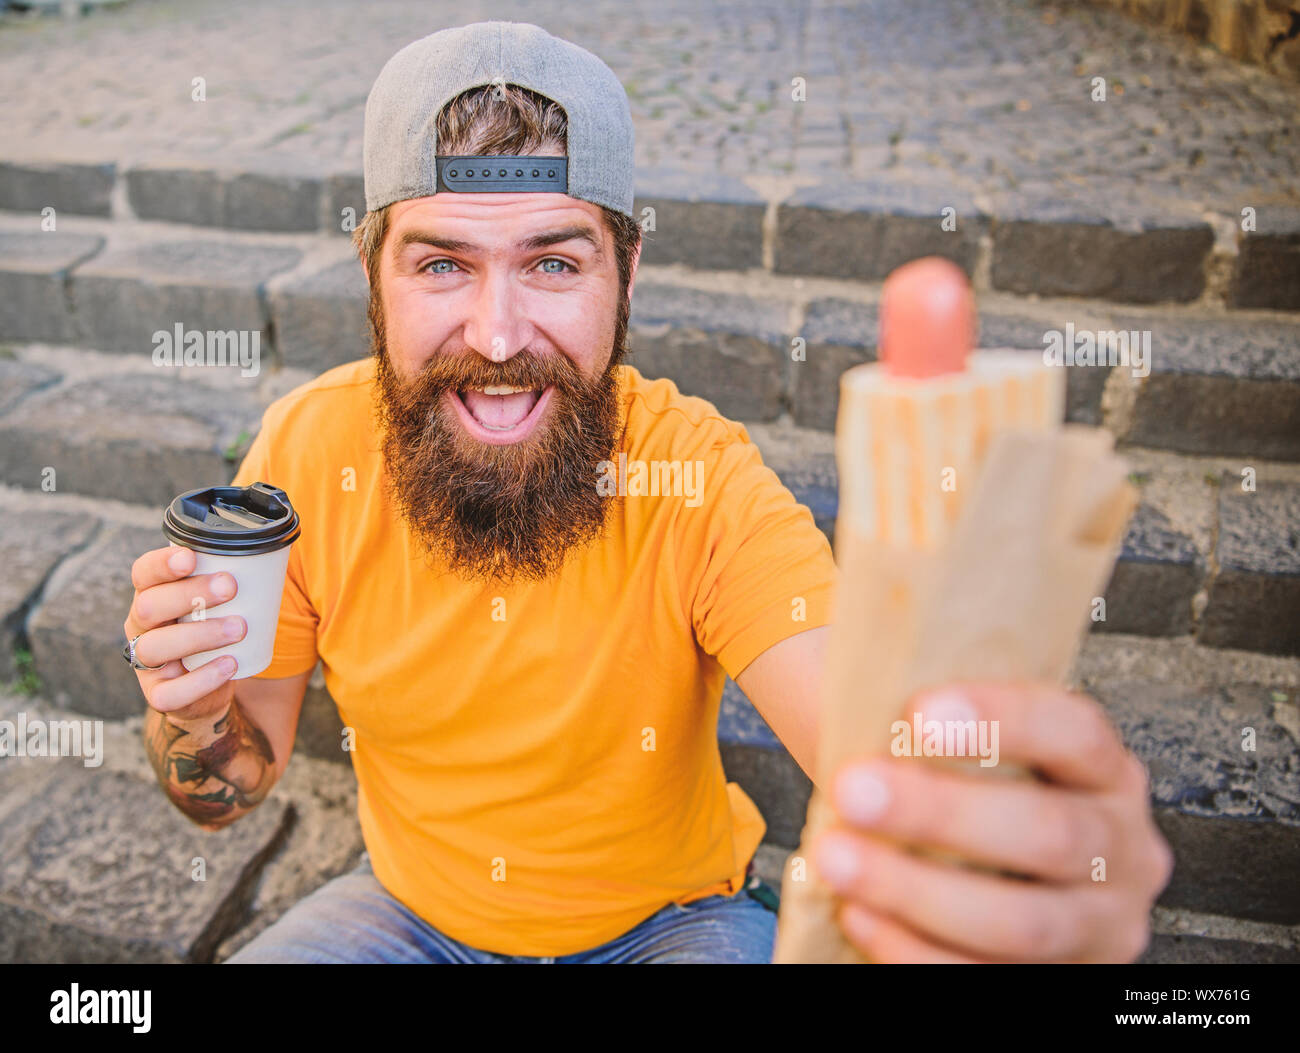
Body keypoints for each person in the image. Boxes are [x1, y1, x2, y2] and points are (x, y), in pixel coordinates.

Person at [122, 21, 1172, 964]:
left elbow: (872, 739)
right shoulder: (306, 451)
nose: (496, 337)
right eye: (441, 266)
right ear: (373, 277)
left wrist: (990, 830)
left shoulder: (698, 476)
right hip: (402, 916)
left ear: (627, 273)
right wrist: (191, 709)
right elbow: (229, 790)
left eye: (553, 264)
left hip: (675, 927)